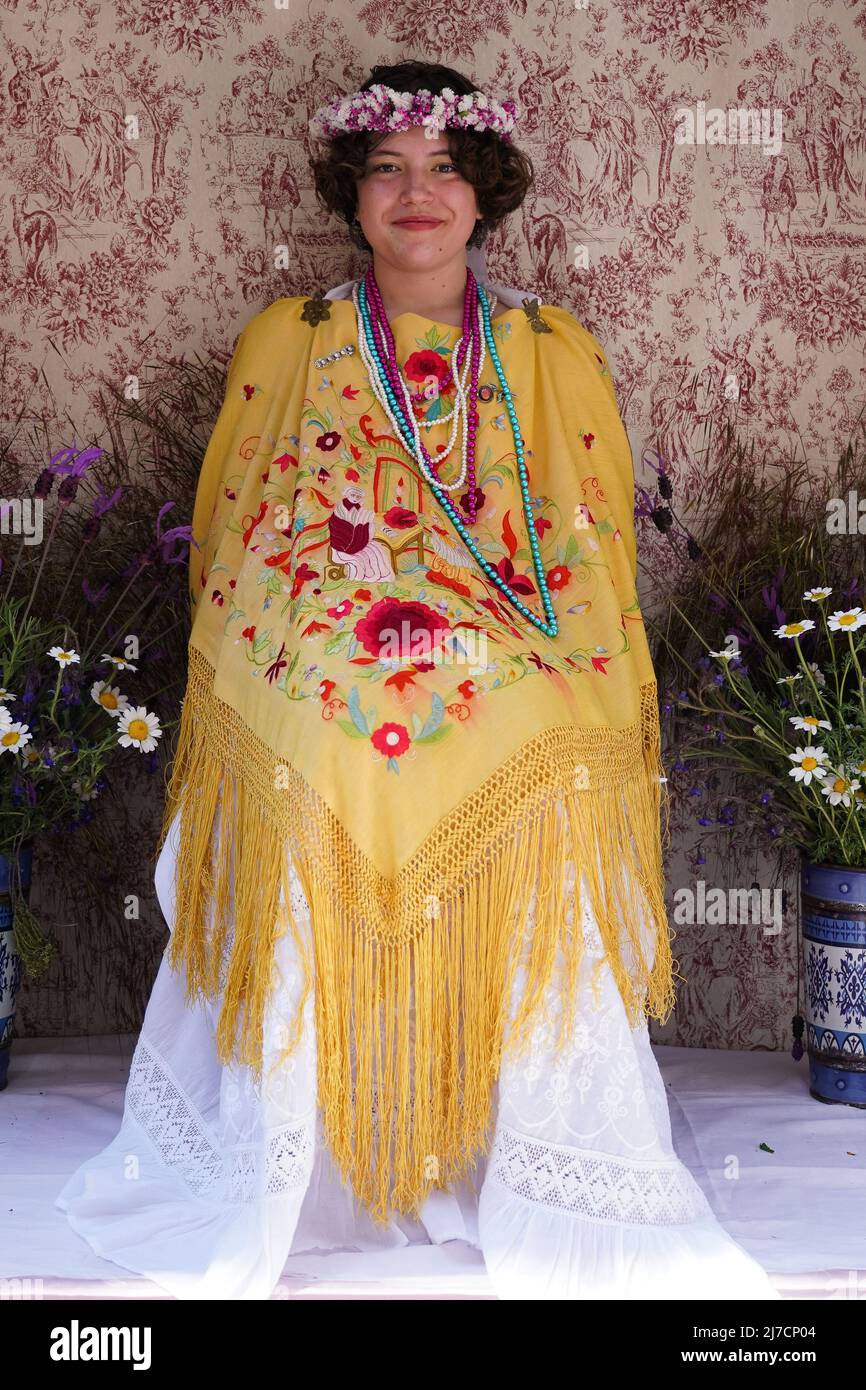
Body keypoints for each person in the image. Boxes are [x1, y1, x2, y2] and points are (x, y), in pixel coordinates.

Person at [55, 60, 781, 1301]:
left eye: (444, 167)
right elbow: (240, 536)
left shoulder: (549, 349)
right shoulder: (292, 339)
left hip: (501, 632)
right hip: (327, 626)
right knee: (324, 718)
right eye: (386, 169)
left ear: (484, 191)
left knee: (536, 714)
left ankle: (527, 1161)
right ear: (350, 193)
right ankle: (301, 1156)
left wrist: (495, 627)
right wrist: (336, 620)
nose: (415, 194)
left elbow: (586, 539)